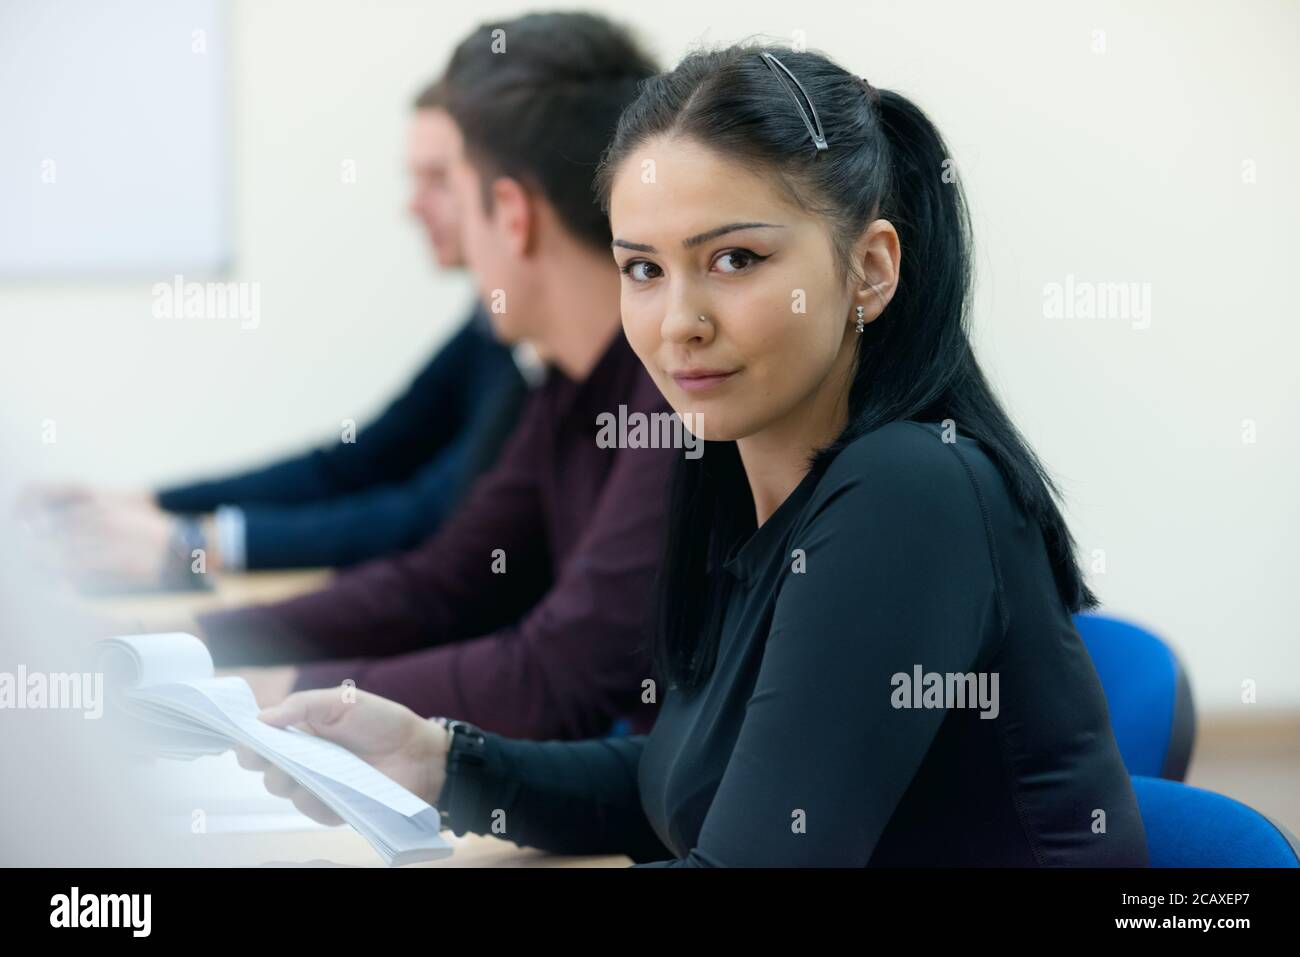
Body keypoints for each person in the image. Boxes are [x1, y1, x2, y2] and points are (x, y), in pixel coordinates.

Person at [239, 42, 1150, 867]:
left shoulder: (909, 491)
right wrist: (435, 759)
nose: (679, 322)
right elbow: (686, 788)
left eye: (736, 260)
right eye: (643, 269)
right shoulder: (731, 480)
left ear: (870, 269)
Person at [185, 12, 674, 741]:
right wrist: (195, 645)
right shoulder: (567, 385)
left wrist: (285, 690)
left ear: (509, 212)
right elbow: (448, 582)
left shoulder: (676, 392)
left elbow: (559, 673)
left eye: (450, 184)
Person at [18, 82, 530, 584]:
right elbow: (351, 465)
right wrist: (146, 505)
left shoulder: (529, 341)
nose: (412, 206)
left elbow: (426, 516)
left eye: (440, 180)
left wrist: (192, 543)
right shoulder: (488, 324)